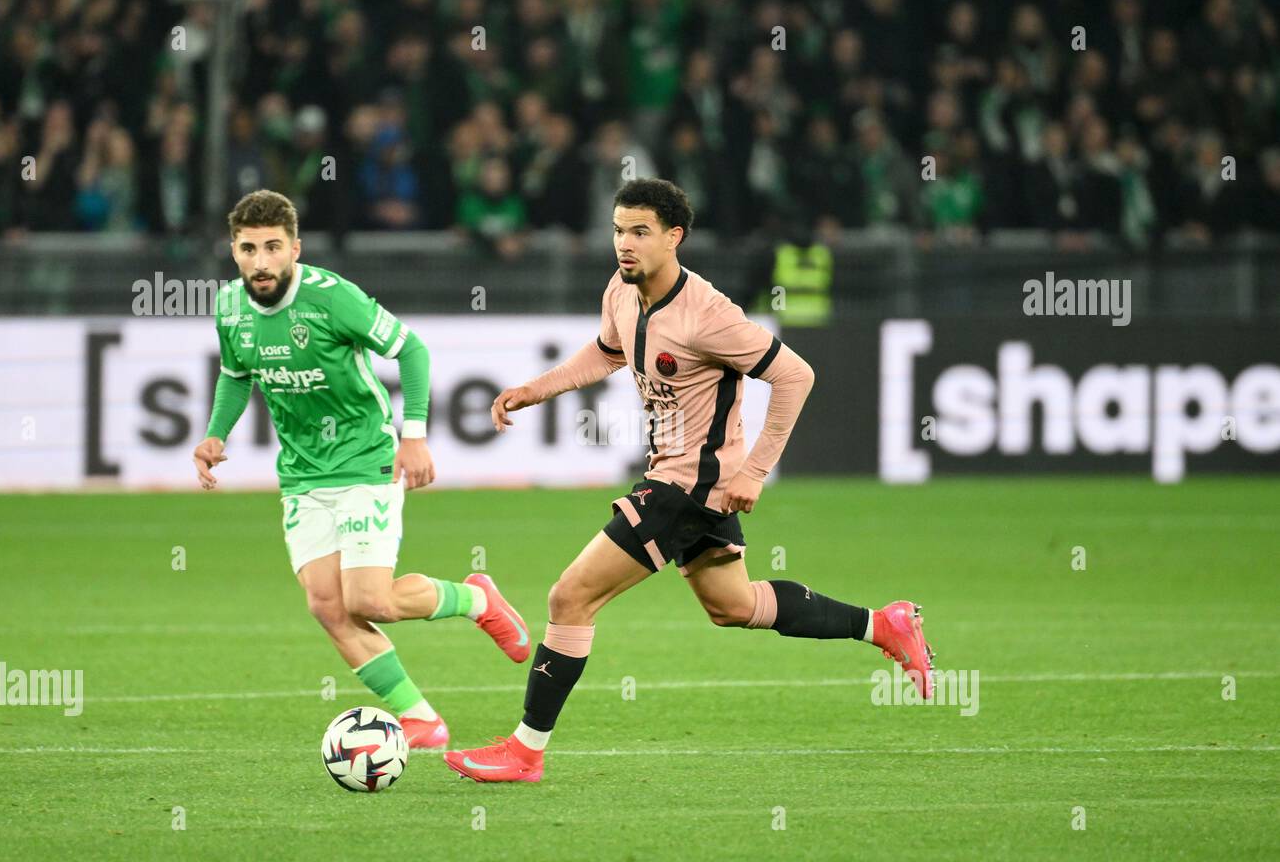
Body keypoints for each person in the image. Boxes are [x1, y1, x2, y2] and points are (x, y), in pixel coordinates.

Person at [444, 179, 932, 783]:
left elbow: (796, 376)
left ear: (674, 237)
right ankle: (884, 624)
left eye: (640, 232)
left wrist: (756, 469)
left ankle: (525, 751)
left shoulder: (709, 316)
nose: (625, 244)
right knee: (733, 606)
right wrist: (533, 389)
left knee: (569, 598)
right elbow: (605, 353)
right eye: (619, 230)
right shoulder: (622, 294)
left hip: (688, 487)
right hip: (682, 480)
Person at [192, 189, 529, 752]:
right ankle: (420, 718)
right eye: (249, 248)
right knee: (327, 605)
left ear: (295, 248)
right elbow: (234, 373)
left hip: (363, 459)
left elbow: (412, 350)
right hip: (301, 474)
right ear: (234, 251)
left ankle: (476, 599)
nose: (262, 261)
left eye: (274, 247)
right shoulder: (229, 306)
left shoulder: (332, 298)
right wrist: (215, 433)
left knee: (369, 601)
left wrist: (414, 436)